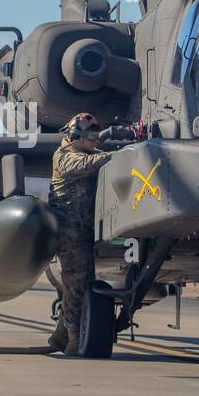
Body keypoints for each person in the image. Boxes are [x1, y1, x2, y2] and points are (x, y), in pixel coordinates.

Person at [48, 112, 113, 355]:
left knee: (78, 286)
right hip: (68, 233)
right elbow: (80, 166)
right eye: (91, 133)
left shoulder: (91, 154)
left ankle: (60, 336)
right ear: (75, 135)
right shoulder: (64, 156)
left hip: (83, 232)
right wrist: (114, 158)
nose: (96, 138)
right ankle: (74, 340)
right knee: (76, 287)